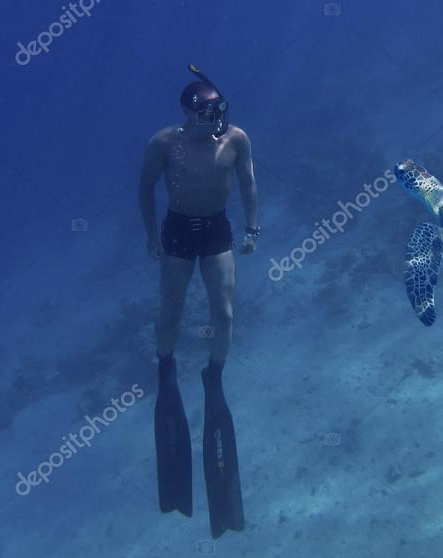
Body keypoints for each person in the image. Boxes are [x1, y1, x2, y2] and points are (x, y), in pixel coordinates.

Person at [138, 64, 259, 539]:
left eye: (221, 109)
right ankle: (166, 365)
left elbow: (248, 183)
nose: (217, 117)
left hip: (215, 229)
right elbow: (145, 186)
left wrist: (253, 228)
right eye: (209, 112)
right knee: (171, 309)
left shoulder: (236, 139)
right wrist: (151, 235)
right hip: (177, 230)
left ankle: (215, 374)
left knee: (223, 311)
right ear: (190, 112)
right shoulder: (165, 143)